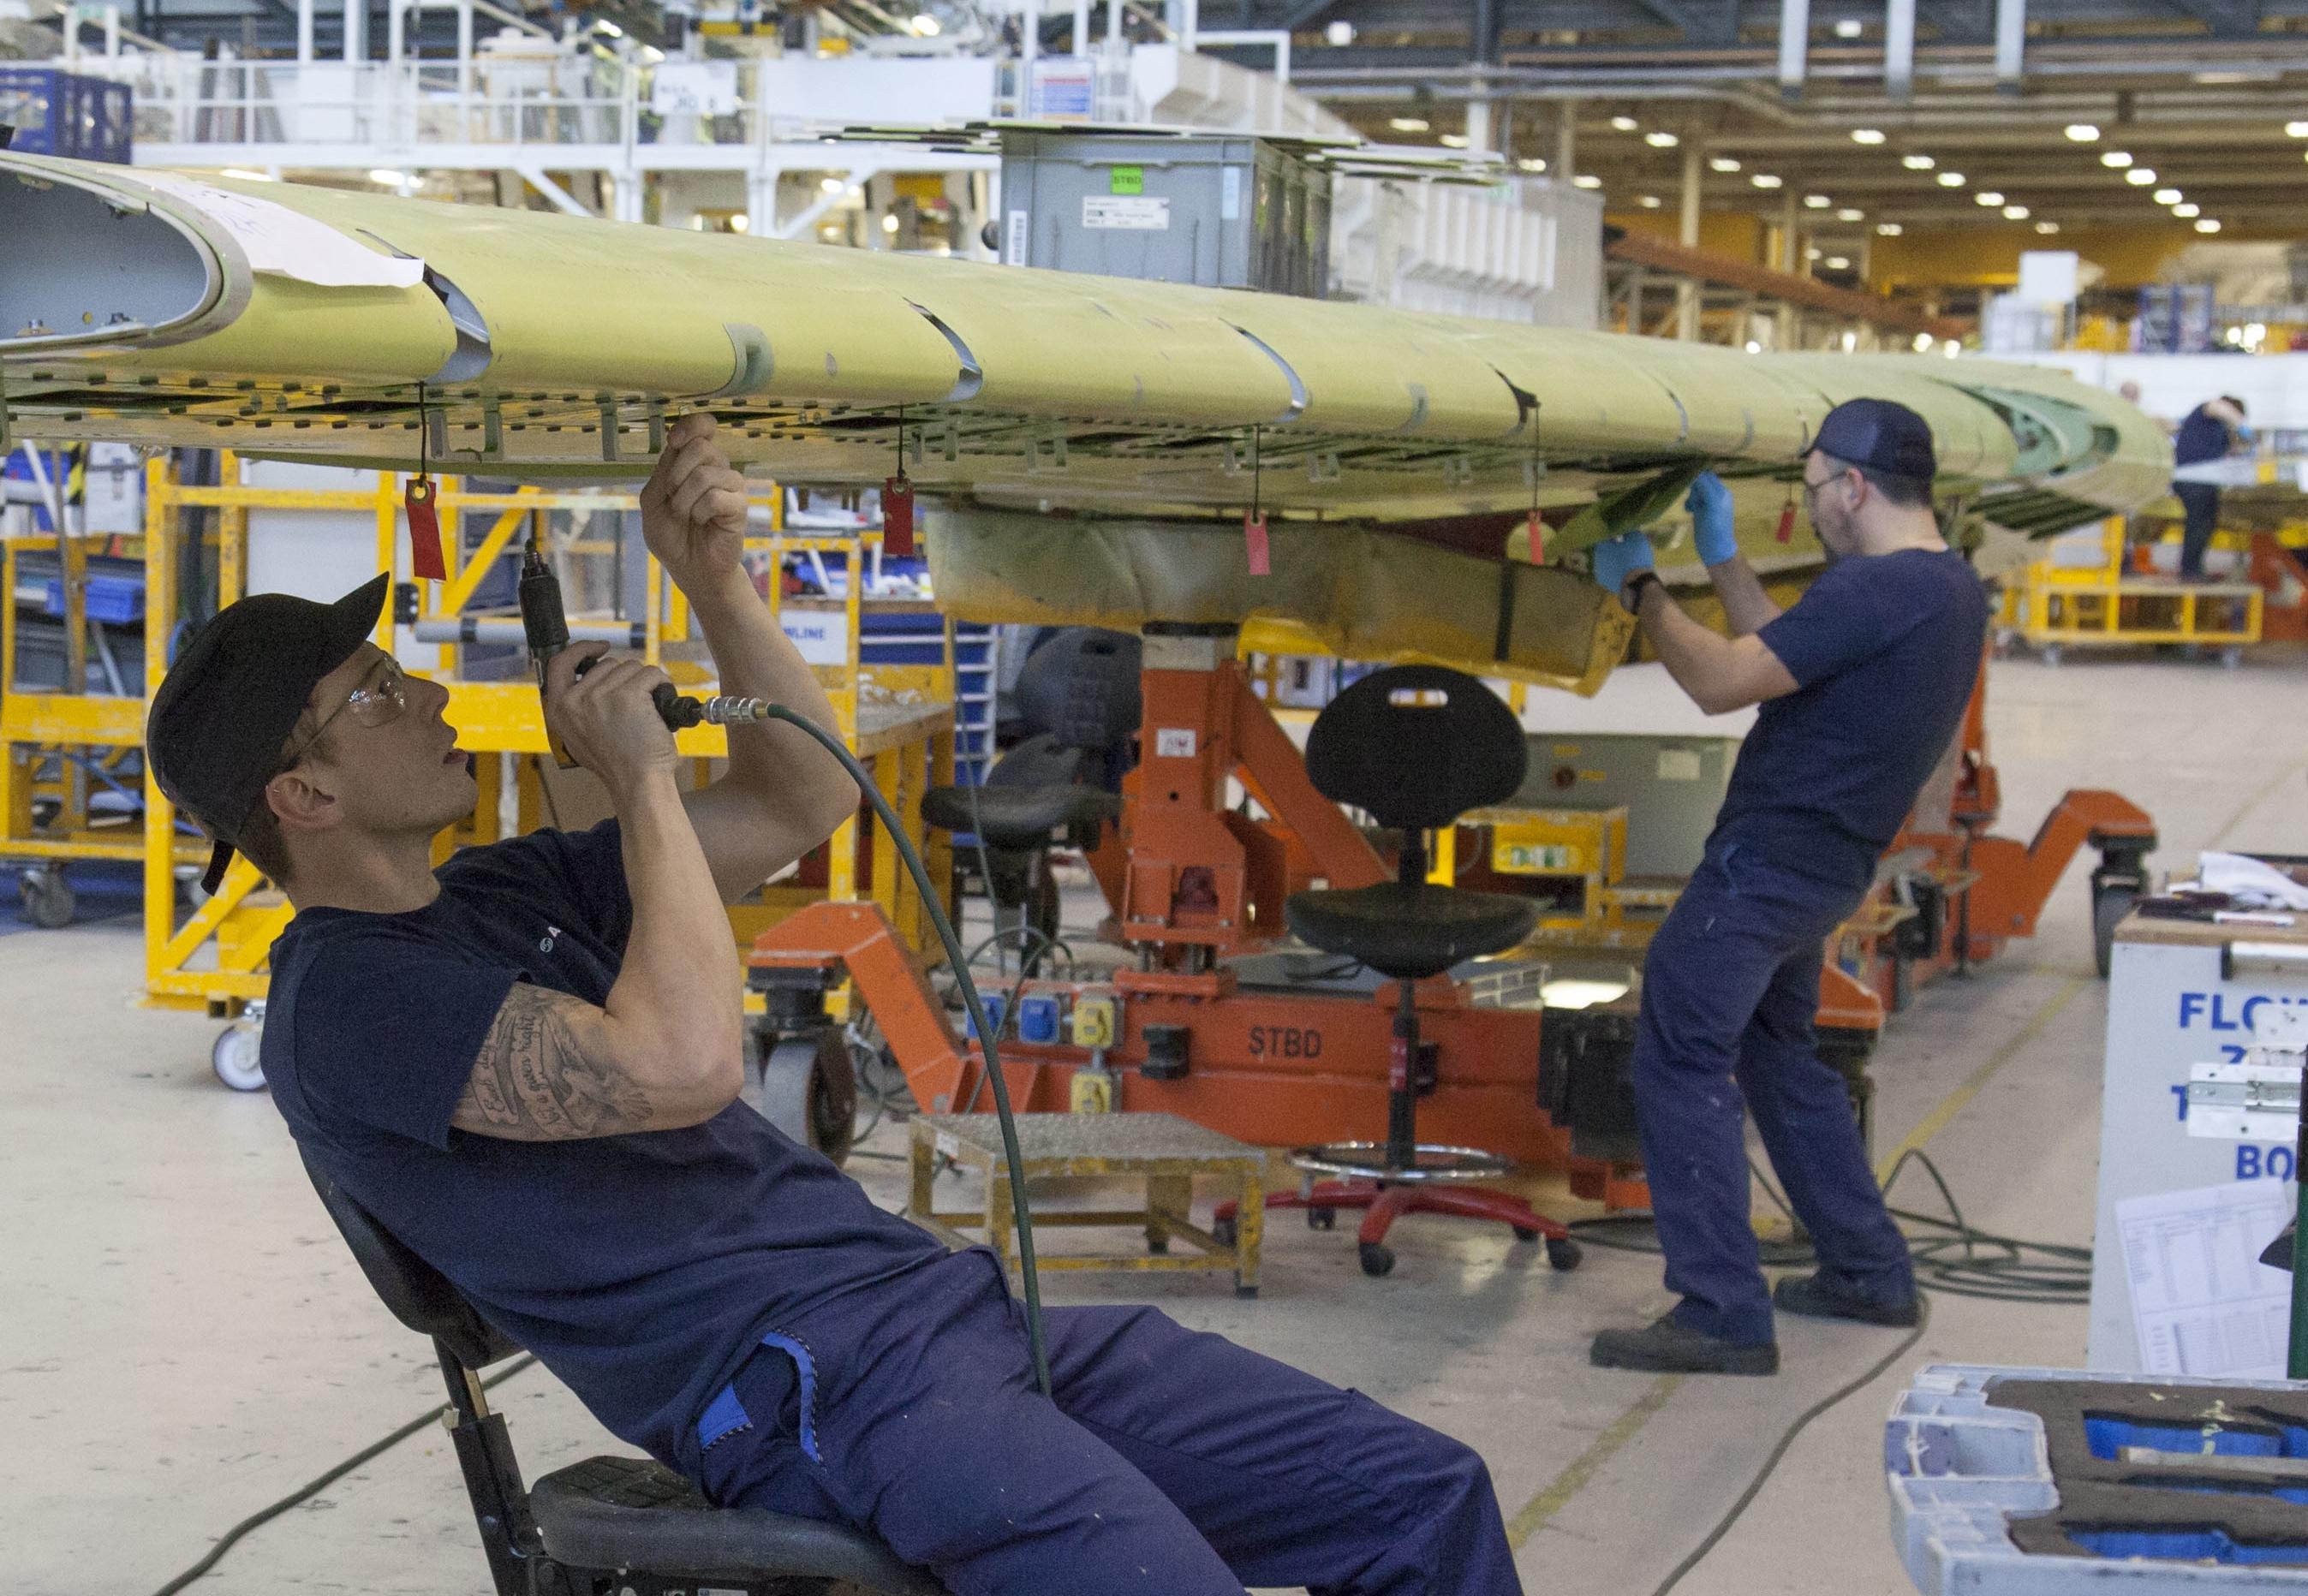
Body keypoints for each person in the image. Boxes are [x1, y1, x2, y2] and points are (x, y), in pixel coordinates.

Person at [144, 415, 1522, 1595]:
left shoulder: (503, 894)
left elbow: (805, 797)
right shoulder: (344, 1002)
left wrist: (716, 585)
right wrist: (634, 785)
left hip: (939, 1311)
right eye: (377, 695)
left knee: (1421, 1496)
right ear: (303, 798)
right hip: (812, 1385)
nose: (430, 690)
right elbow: (681, 1063)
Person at [1580, 398, 1986, 1375]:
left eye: (1811, 493)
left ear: (1852, 486)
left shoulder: (1876, 590)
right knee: (1778, 1059)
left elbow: (1722, 681)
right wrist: (1719, 560)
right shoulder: (1947, 589)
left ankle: (1720, 1306)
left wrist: (1641, 586)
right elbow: (1787, 659)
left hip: (1762, 867)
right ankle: (1866, 1270)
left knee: (1678, 1057)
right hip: (1826, 869)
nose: (1810, 513)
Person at [2167, 394, 2246, 581]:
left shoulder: (2218, 429)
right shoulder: (2206, 412)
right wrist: (2242, 424)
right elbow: (2218, 408)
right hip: (2192, 480)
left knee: (2206, 523)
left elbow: (2228, 453)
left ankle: (2195, 569)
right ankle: (2190, 571)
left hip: (2206, 481)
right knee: (2198, 523)